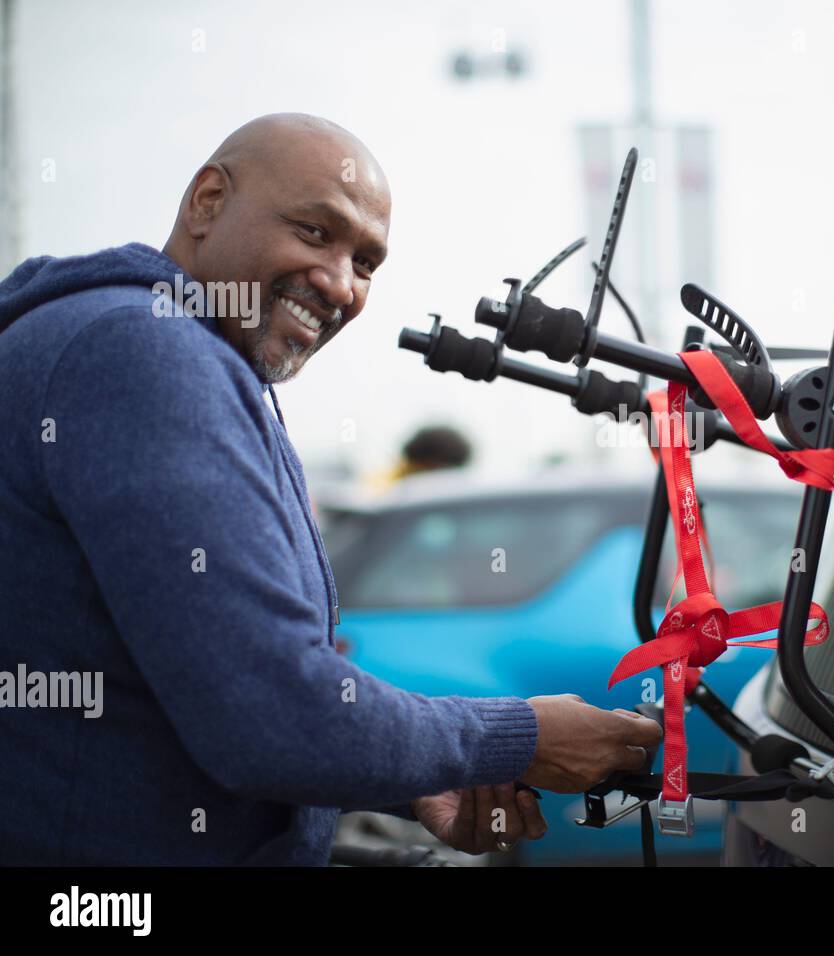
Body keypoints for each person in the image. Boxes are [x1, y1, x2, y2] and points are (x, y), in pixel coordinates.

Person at [0, 113, 660, 865]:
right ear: (207, 201)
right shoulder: (143, 353)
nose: (341, 284)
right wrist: (517, 737)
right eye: (315, 233)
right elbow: (267, 715)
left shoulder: (151, 345)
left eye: (368, 263)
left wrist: (416, 783)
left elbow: (181, 694)